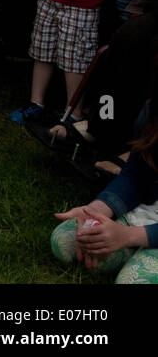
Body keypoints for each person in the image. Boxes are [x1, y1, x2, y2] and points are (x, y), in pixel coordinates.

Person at [50, 47, 158, 283]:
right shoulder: (152, 111)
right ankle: (137, 251)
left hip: (142, 228)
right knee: (67, 241)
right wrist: (96, 210)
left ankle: (138, 251)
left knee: (132, 281)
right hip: (148, 214)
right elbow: (135, 178)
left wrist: (129, 236)